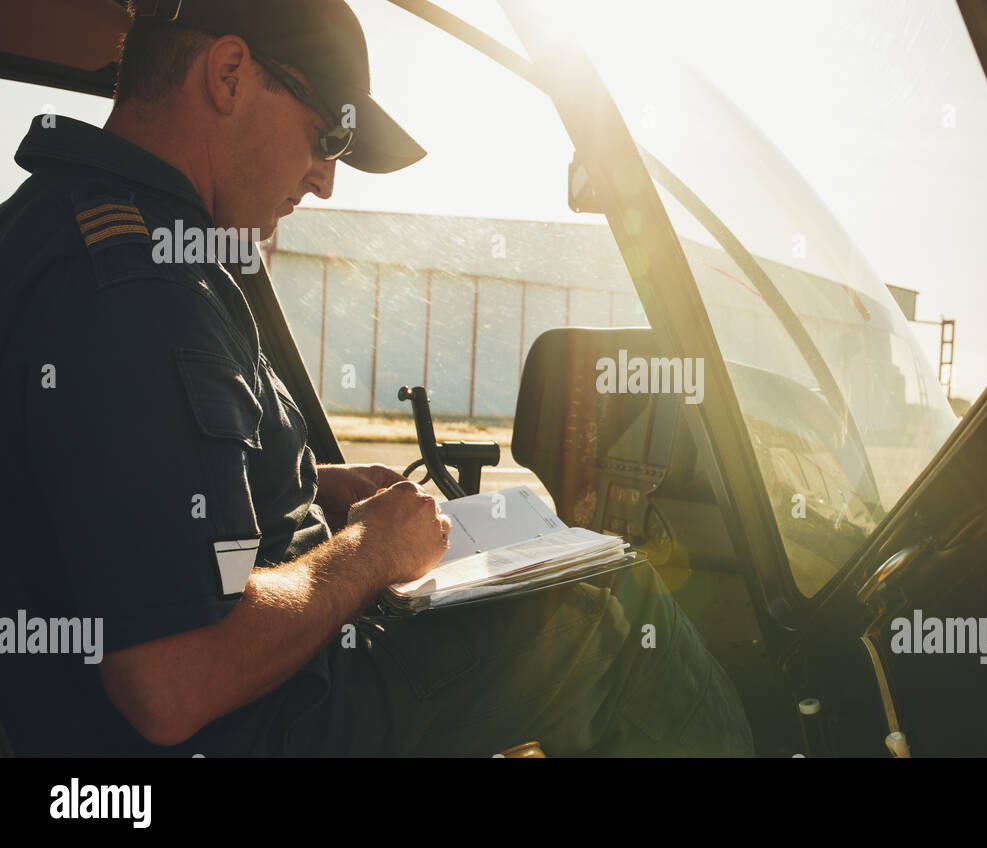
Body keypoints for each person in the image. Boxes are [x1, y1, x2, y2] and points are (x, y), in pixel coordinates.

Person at [0, 0, 753, 757]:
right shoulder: (134, 285)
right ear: (228, 74)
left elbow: (121, 488)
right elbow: (170, 679)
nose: (325, 180)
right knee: (611, 623)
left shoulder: (87, 233)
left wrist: (307, 482)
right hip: (248, 725)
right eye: (328, 134)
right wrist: (369, 553)